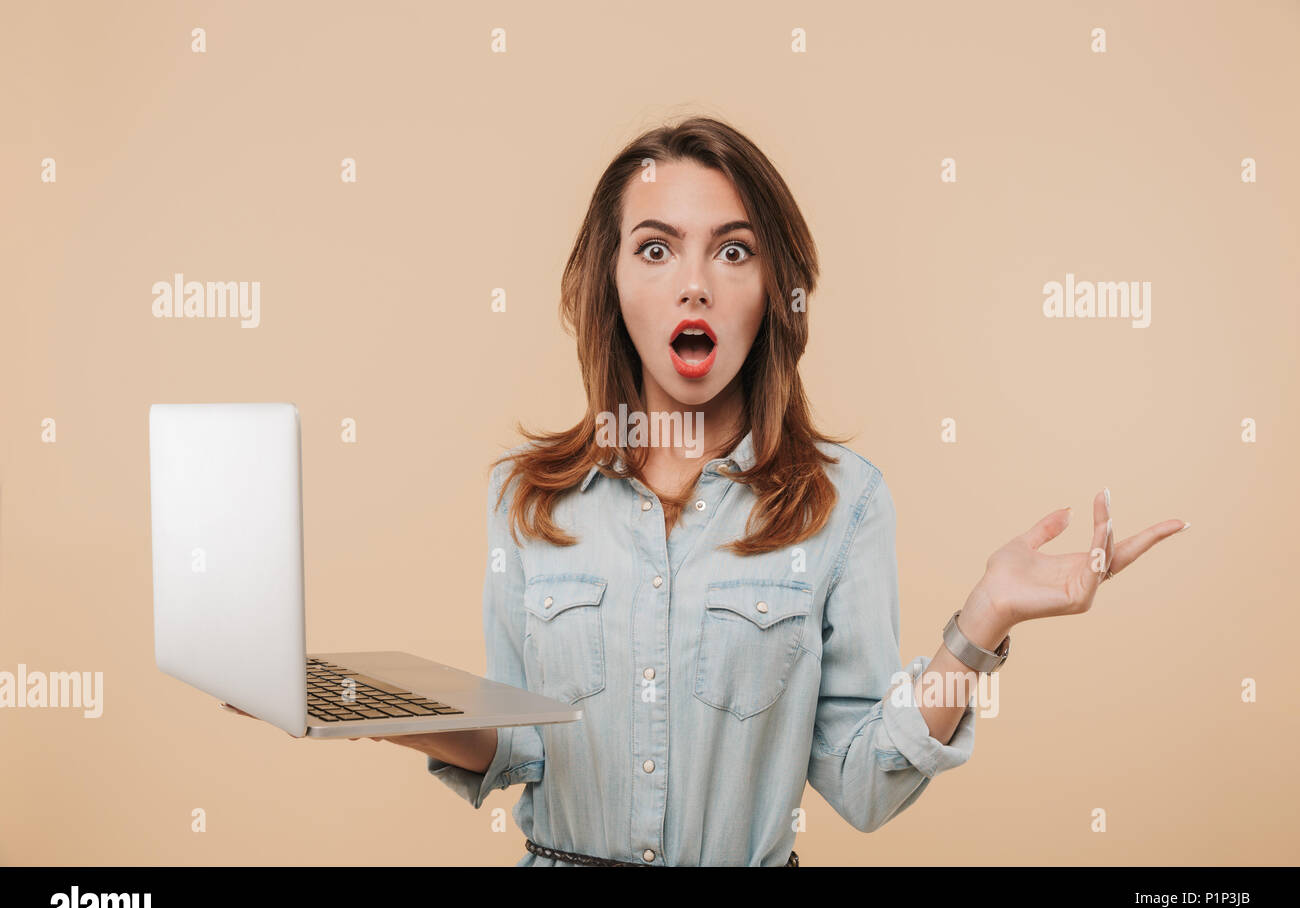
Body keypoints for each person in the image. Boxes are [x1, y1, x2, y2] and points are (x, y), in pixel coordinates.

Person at [229, 116, 1188, 866]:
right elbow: (527, 753)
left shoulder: (842, 504)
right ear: (609, 285)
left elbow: (864, 786)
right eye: (655, 248)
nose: (695, 283)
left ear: (774, 288)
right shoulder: (526, 500)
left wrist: (980, 625)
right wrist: (381, 708)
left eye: (733, 250)